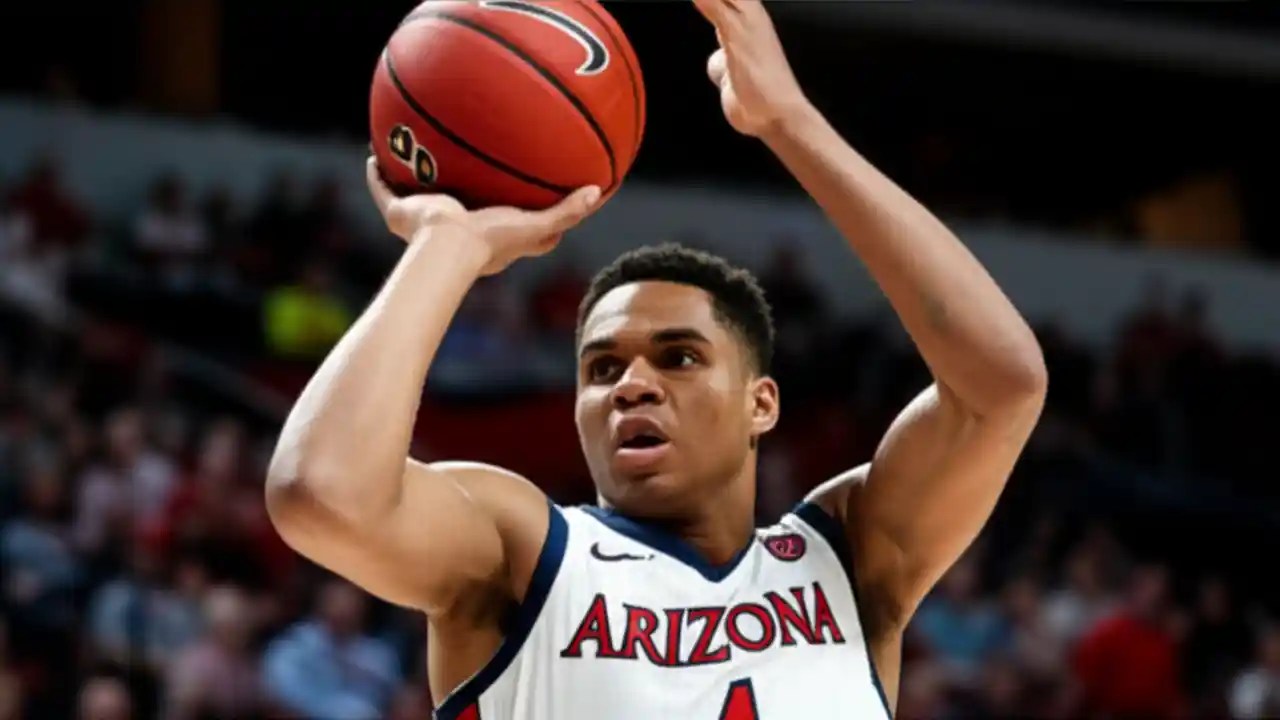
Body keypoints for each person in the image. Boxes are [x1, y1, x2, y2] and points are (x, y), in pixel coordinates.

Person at [264, 1, 1047, 718]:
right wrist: (451, 243)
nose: (632, 384)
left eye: (678, 357)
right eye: (601, 369)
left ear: (761, 404)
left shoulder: (849, 560)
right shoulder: (521, 551)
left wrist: (793, 124)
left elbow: (1002, 384)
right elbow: (320, 493)